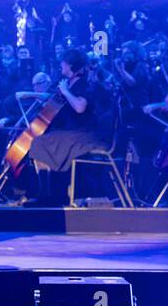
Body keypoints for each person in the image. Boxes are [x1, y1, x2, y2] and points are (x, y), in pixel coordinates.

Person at [24, 49, 110, 205]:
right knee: (40, 141)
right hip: (70, 131)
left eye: (63, 63)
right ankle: (49, 192)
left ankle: (53, 195)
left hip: (84, 133)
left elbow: (79, 107)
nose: (60, 66)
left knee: (42, 143)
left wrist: (65, 91)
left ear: (70, 64)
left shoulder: (84, 83)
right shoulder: (68, 82)